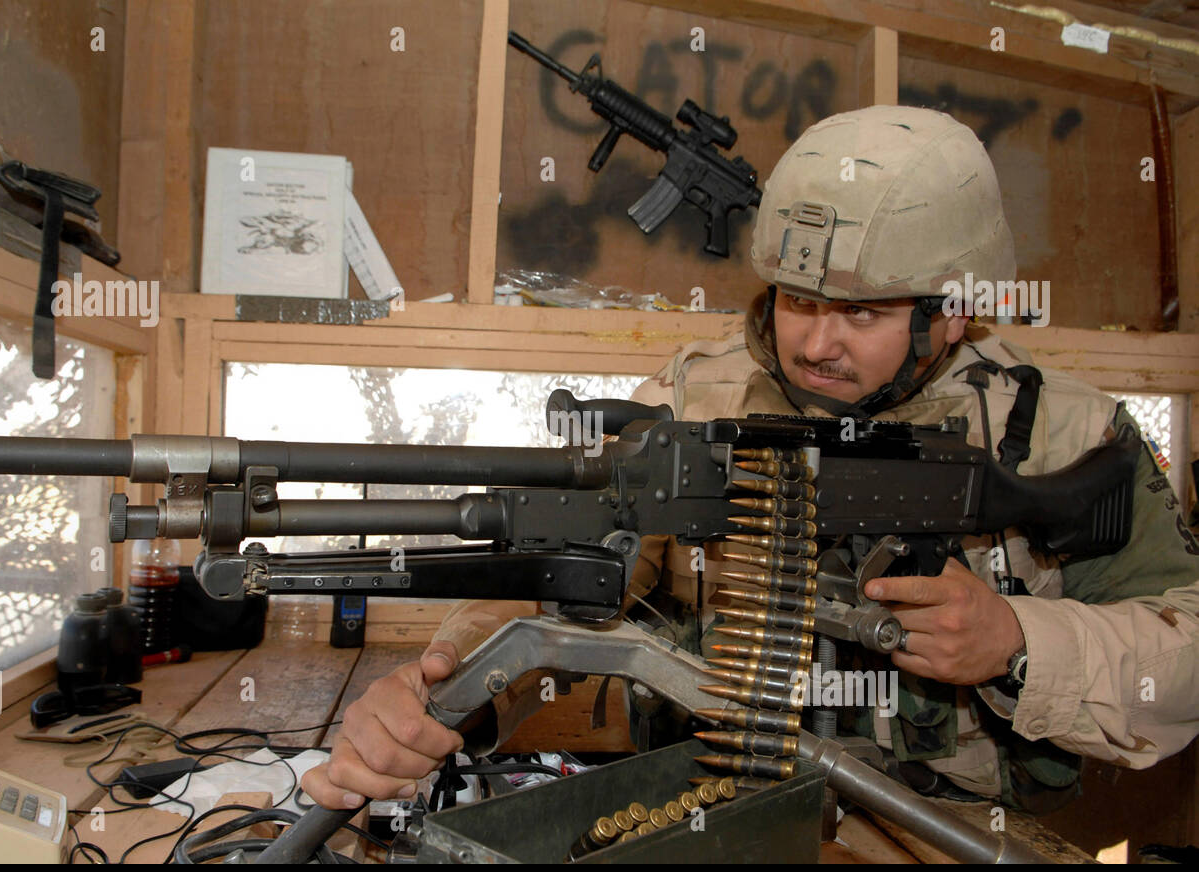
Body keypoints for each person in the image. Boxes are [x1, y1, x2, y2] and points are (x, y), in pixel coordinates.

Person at [302, 105, 1199, 817]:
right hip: (711, 809)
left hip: (953, 833)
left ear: (954, 308)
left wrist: (1018, 642)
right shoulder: (698, 397)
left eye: (862, 313)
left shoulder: (1067, 434)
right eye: (798, 299)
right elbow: (563, 561)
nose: (815, 342)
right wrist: (444, 677)